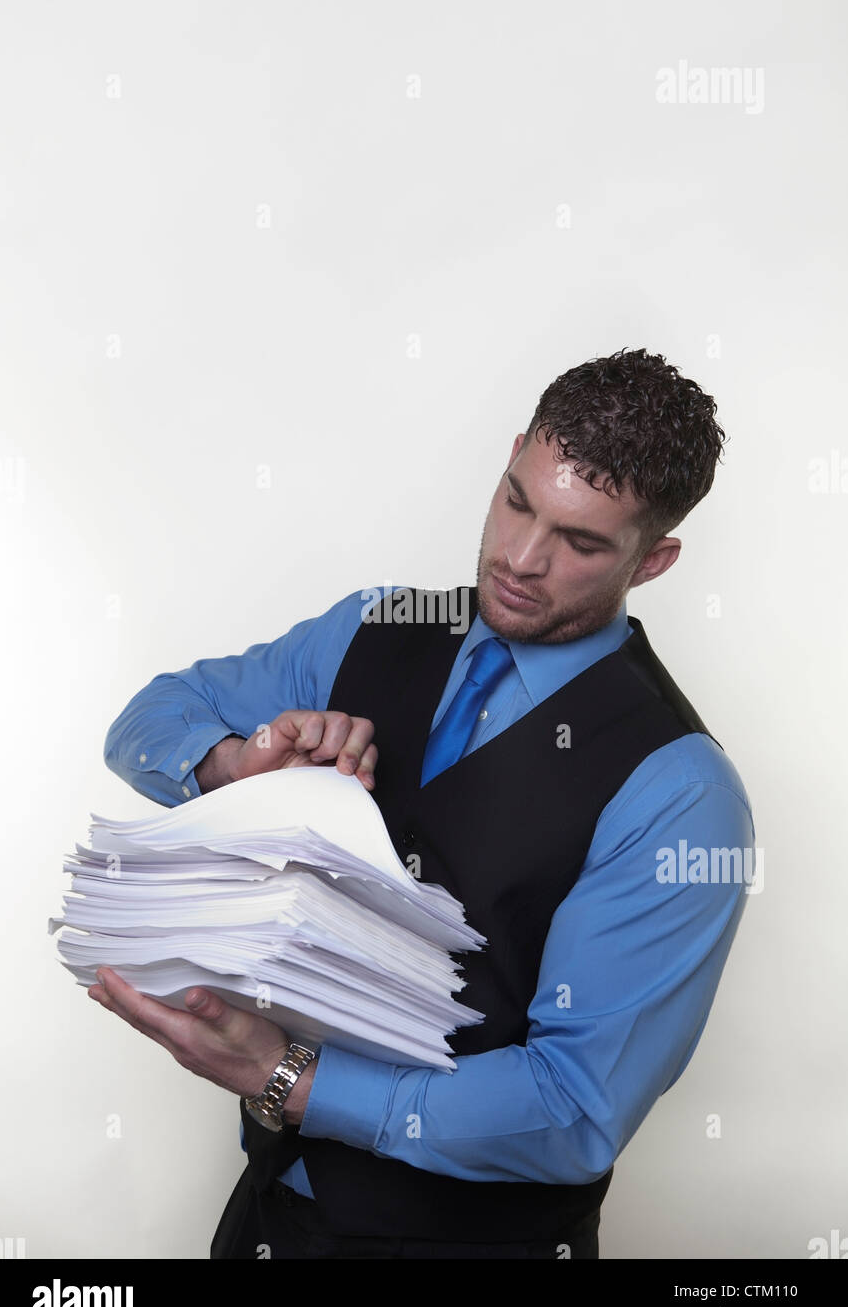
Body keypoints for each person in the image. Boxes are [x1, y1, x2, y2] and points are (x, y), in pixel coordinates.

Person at [94, 347, 755, 1260]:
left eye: (583, 541)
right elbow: (148, 718)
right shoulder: (372, 625)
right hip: (266, 1219)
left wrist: (289, 1078)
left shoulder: (680, 793)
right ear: (514, 452)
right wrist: (231, 769)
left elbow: (573, 1108)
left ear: (655, 560)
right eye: (518, 500)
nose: (522, 559)